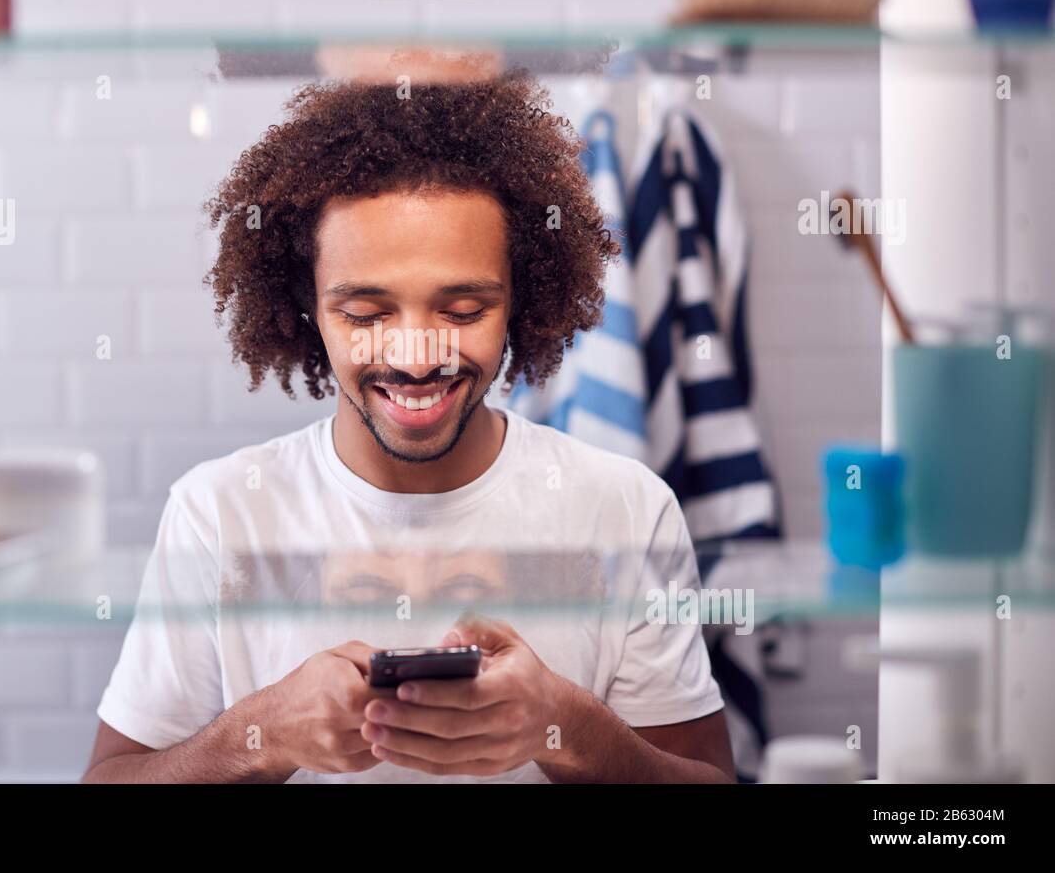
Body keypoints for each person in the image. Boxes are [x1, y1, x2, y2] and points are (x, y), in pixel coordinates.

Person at [83, 70, 734, 783]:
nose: (416, 355)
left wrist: (561, 723)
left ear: (522, 301)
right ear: (306, 310)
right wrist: (264, 733)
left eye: (462, 311)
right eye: (365, 314)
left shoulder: (626, 508)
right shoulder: (218, 511)